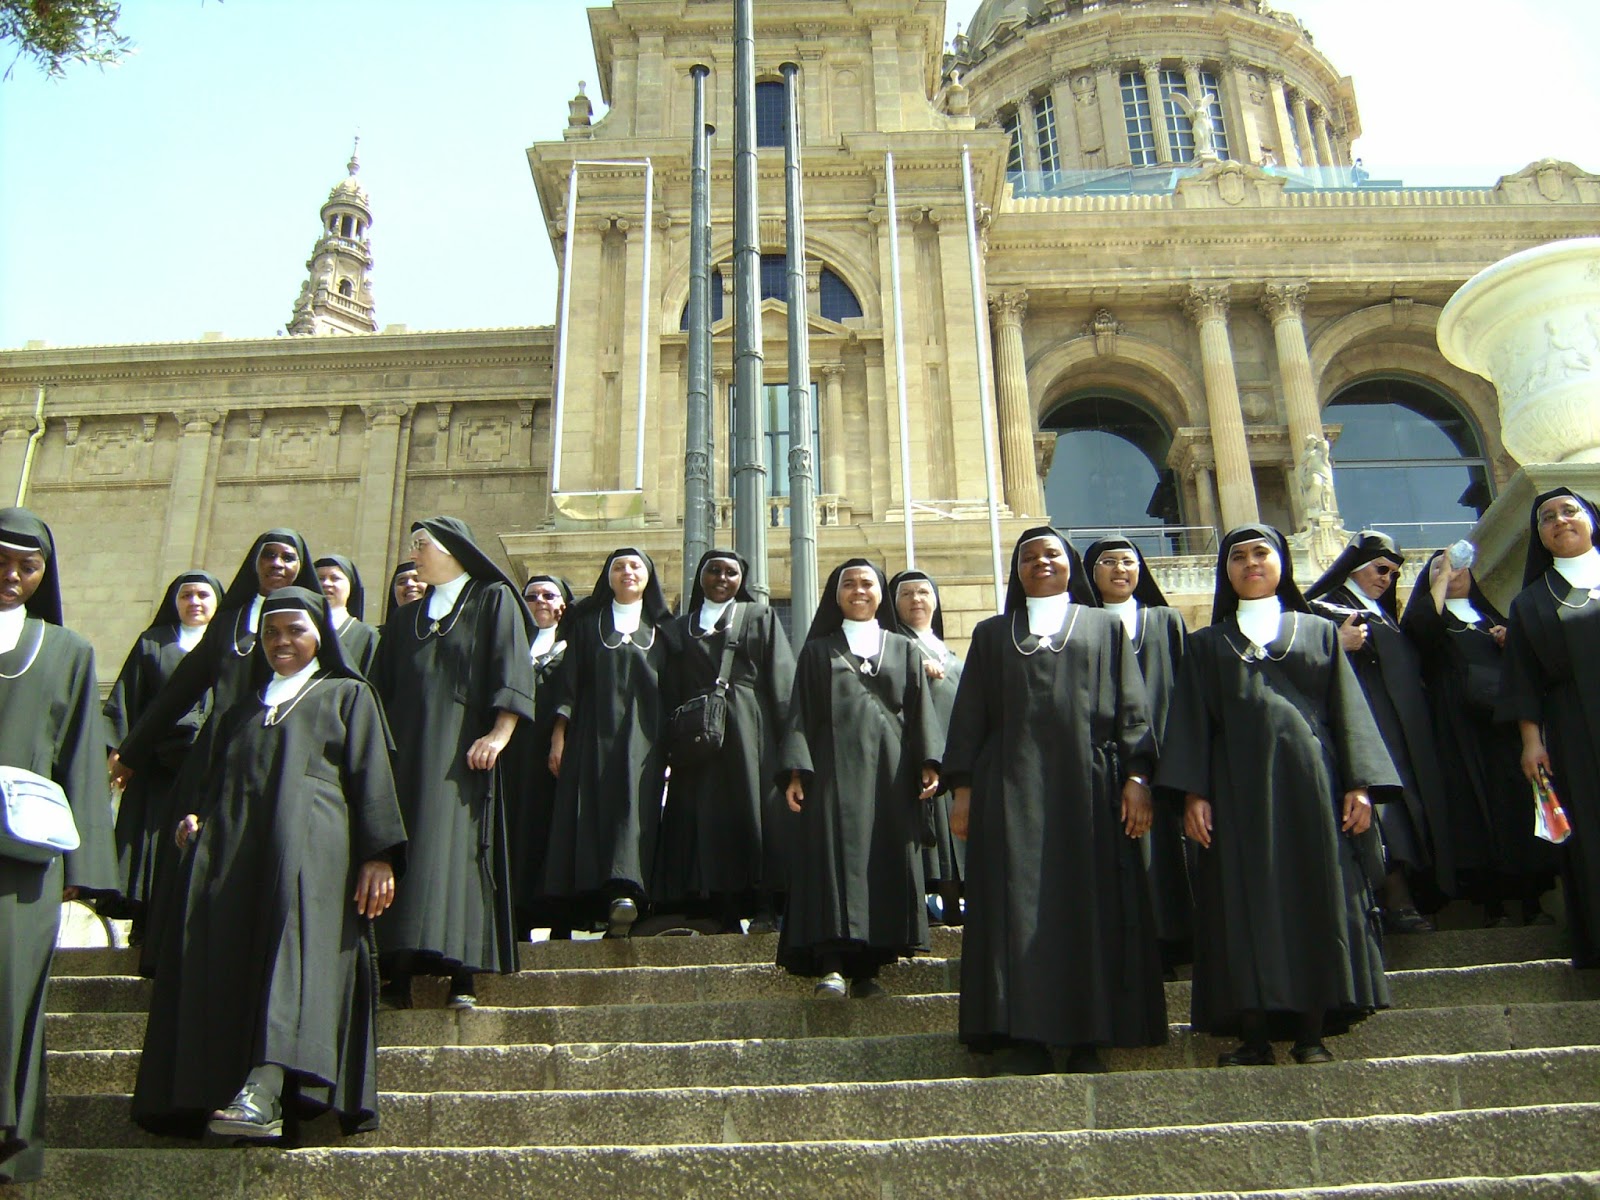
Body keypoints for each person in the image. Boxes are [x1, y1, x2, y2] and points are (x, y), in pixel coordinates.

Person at [132, 587, 405, 1142]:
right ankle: (212, 1089)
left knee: (291, 956)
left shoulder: (348, 694)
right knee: (222, 953)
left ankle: (268, 1084)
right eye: (272, 633)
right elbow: (211, 783)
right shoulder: (241, 709)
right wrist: (195, 820)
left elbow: (372, 777)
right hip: (235, 851)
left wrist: (378, 856)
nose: (282, 642)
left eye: (295, 631)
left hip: (313, 850)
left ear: (319, 637)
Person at [1156, 525, 1395, 1066]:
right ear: (1226, 572)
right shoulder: (1205, 644)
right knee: (1242, 905)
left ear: (1282, 562)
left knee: (1315, 897)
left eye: (1261, 552)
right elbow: (1191, 722)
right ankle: (1254, 1035)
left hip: (1313, 786)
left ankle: (1311, 1033)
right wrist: (1192, 794)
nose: (1250, 563)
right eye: (1237, 556)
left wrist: (1359, 784)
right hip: (1233, 793)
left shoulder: (1319, 632)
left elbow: (1347, 710)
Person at [944, 528, 1164, 1074]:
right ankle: (1026, 1037)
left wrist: (1138, 777)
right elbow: (970, 719)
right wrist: (964, 792)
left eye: (1052, 554)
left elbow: (1133, 709)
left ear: (1071, 565)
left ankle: (1090, 1038)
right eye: (1028, 556)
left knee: (1091, 907)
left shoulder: (1104, 626)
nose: (1041, 562)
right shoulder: (992, 634)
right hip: (1009, 791)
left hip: (1088, 792)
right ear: (1017, 571)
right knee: (1015, 910)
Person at [0, 508, 118, 1185]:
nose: (13, 575)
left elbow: (79, 757)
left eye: (28, 566)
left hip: (25, 859)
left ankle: (8, 1140)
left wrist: (84, 866)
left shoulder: (67, 651)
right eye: (1, 562)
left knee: (13, 990)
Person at [370, 518, 533, 1008]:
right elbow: (378, 693)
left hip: (463, 754)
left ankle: (462, 969)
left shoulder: (493, 600)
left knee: (459, 852)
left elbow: (512, 668)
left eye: (421, 545)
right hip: (405, 756)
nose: (413, 555)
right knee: (407, 847)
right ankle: (398, 969)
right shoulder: (404, 620)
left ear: (452, 550)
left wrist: (499, 734)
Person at [777, 559, 943, 999]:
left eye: (867, 583)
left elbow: (920, 709)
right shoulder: (817, 651)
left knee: (882, 858)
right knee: (833, 861)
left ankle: (870, 969)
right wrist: (795, 770)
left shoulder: (904, 649)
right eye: (848, 584)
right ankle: (831, 965)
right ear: (836, 596)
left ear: (880, 593)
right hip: (831, 771)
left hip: (891, 771)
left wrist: (929, 762)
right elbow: (799, 713)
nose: (858, 590)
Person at [1403, 549, 1557, 926]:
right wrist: (1441, 576)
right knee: (1474, 809)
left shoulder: (1492, 619)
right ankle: (1493, 905)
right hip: (1458, 733)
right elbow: (1419, 627)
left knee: (1517, 805)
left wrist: (1510, 643)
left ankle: (1532, 901)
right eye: (1440, 567)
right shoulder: (1434, 619)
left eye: (1459, 567)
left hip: (1504, 729)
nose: (1452, 572)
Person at [1308, 530, 1451, 932]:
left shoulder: (1383, 614)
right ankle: (1395, 900)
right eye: (1381, 569)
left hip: (1405, 735)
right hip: (1369, 730)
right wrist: (1336, 643)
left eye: (1394, 574)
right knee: (1386, 814)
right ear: (1355, 567)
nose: (1387, 579)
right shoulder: (1327, 610)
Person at [112, 530, 320, 790]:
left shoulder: (317, 624)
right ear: (255, 563)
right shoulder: (228, 623)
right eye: (268, 555)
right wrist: (130, 753)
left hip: (291, 752)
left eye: (288, 557)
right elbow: (179, 691)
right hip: (225, 755)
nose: (277, 563)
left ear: (300, 566)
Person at [656, 550, 795, 933]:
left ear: (741, 580)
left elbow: (782, 682)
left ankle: (765, 905)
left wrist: (789, 745)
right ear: (700, 577)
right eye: (713, 570)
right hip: (698, 737)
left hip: (751, 732)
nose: (721, 578)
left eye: (730, 572)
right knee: (708, 818)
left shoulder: (759, 616)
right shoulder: (679, 628)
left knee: (755, 813)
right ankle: (722, 908)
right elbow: (667, 687)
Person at [543, 548, 672, 938]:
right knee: (587, 814)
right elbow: (569, 685)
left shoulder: (666, 629)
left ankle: (628, 895)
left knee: (634, 811)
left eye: (635, 566)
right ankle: (584, 906)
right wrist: (558, 736)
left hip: (646, 741)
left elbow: (675, 689)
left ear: (648, 576)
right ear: (608, 577)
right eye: (618, 567)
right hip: (590, 736)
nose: (627, 572)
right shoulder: (587, 626)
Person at [1498, 487, 1600, 969]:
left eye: (1569, 511)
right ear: (1539, 536)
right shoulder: (1531, 603)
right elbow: (1522, 679)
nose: (1559, 520)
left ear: (1592, 520)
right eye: (1546, 517)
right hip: (1574, 729)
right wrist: (1531, 743)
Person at [1083, 536, 1193, 973]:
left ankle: (1174, 943)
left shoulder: (1165, 621)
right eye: (1108, 562)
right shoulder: (1082, 626)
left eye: (1128, 561)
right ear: (1091, 573)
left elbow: (1188, 690)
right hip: (1104, 760)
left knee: (1166, 854)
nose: (1119, 569)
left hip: (1166, 758)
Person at [101, 570, 224, 942]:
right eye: (186, 595)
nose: (194, 602)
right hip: (155, 771)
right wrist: (121, 754)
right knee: (151, 849)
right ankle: (143, 929)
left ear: (218, 602)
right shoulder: (152, 643)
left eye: (202, 595)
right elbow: (127, 698)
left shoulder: (231, 645)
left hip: (207, 768)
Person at [888, 569, 965, 927]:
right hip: (913, 758)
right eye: (906, 594)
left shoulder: (952, 656)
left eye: (923, 592)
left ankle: (954, 905)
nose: (916, 599)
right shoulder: (892, 649)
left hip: (955, 757)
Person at [504, 573, 575, 940]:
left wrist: (559, 737)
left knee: (554, 830)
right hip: (515, 755)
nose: (540, 602)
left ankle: (559, 921)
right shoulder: (512, 644)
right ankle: (517, 919)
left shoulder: (573, 646)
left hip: (555, 752)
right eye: (531, 597)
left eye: (549, 595)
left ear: (563, 603)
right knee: (517, 829)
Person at [314, 554, 381, 675]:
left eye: (335, 578)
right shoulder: (300, 630)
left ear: (351, 586)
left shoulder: (367, 635)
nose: (326, 583)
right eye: (320, 578)